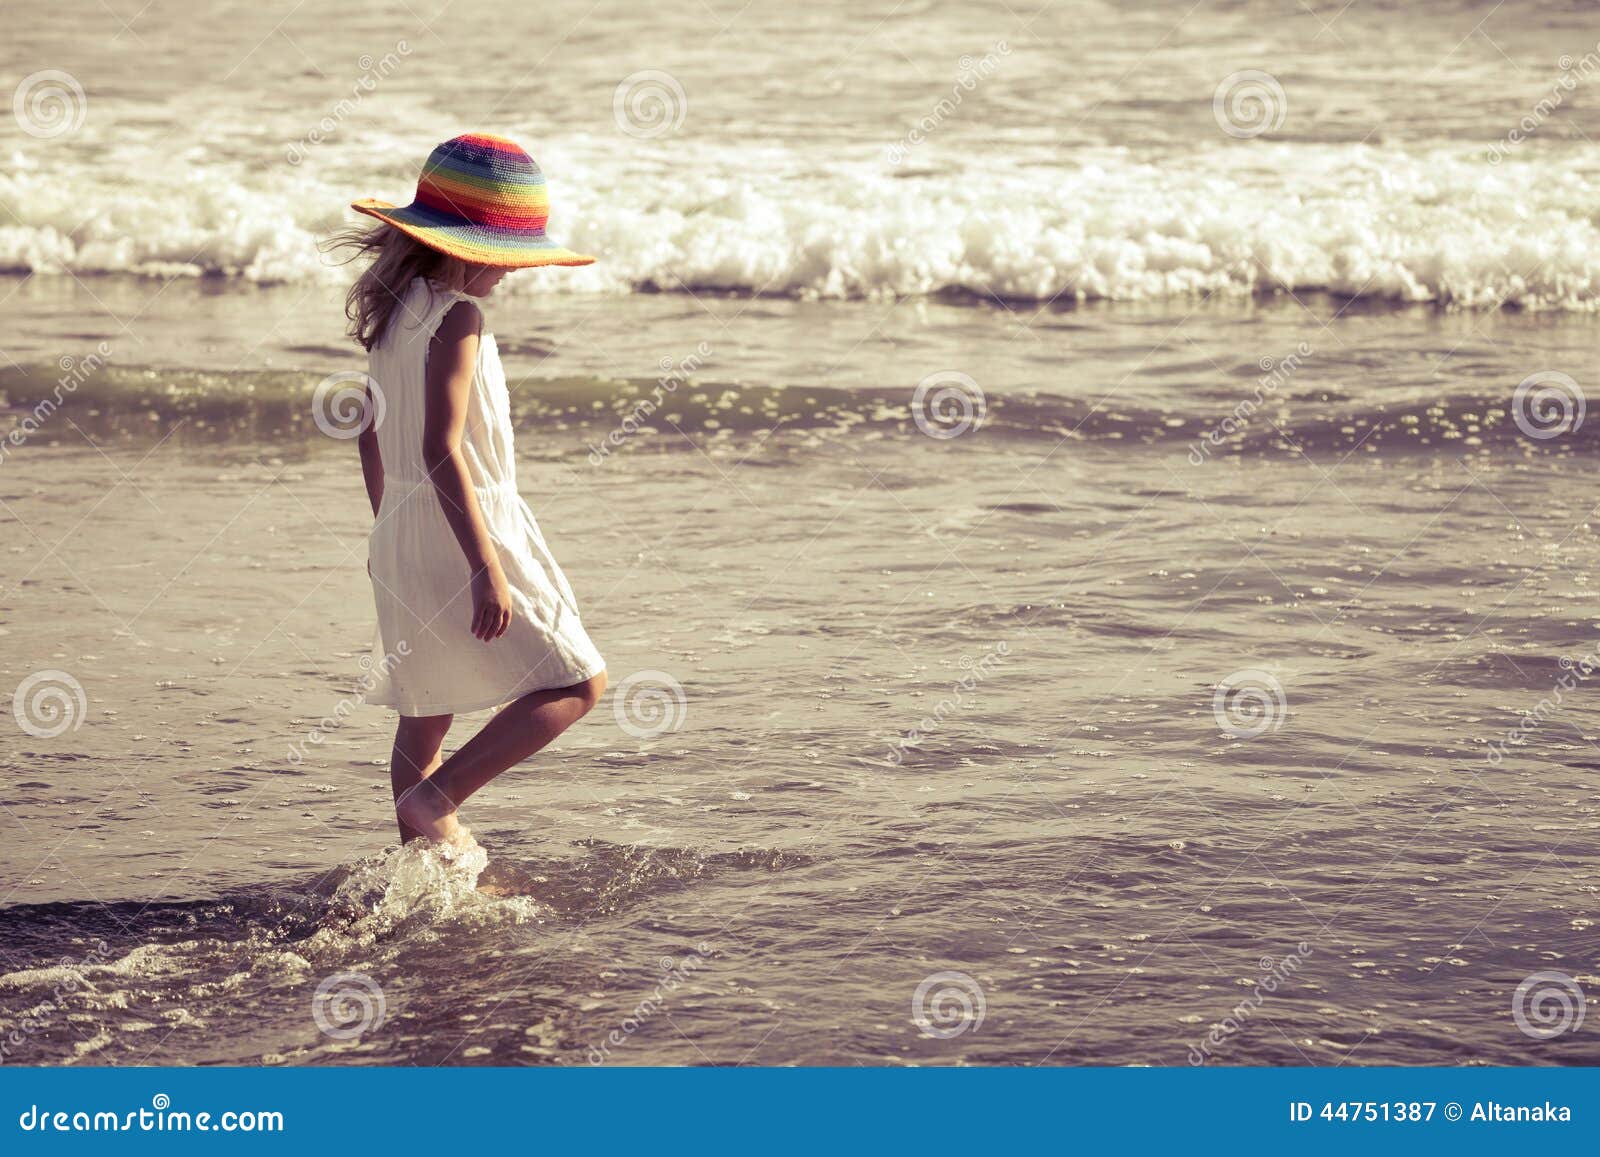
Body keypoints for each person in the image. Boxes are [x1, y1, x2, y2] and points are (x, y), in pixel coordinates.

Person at [332, 133, 607, 844]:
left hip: (401, 528)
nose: (511, 273)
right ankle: (439, 802)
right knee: (578, 682)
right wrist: (486, 566)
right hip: (469, 526)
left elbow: (370, 434)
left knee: (426, 704)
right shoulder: (458, 316)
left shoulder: (393, 312)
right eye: (506, 257)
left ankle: (425, 863)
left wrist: (385, 523)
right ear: (469, 247)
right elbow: (439, 446)